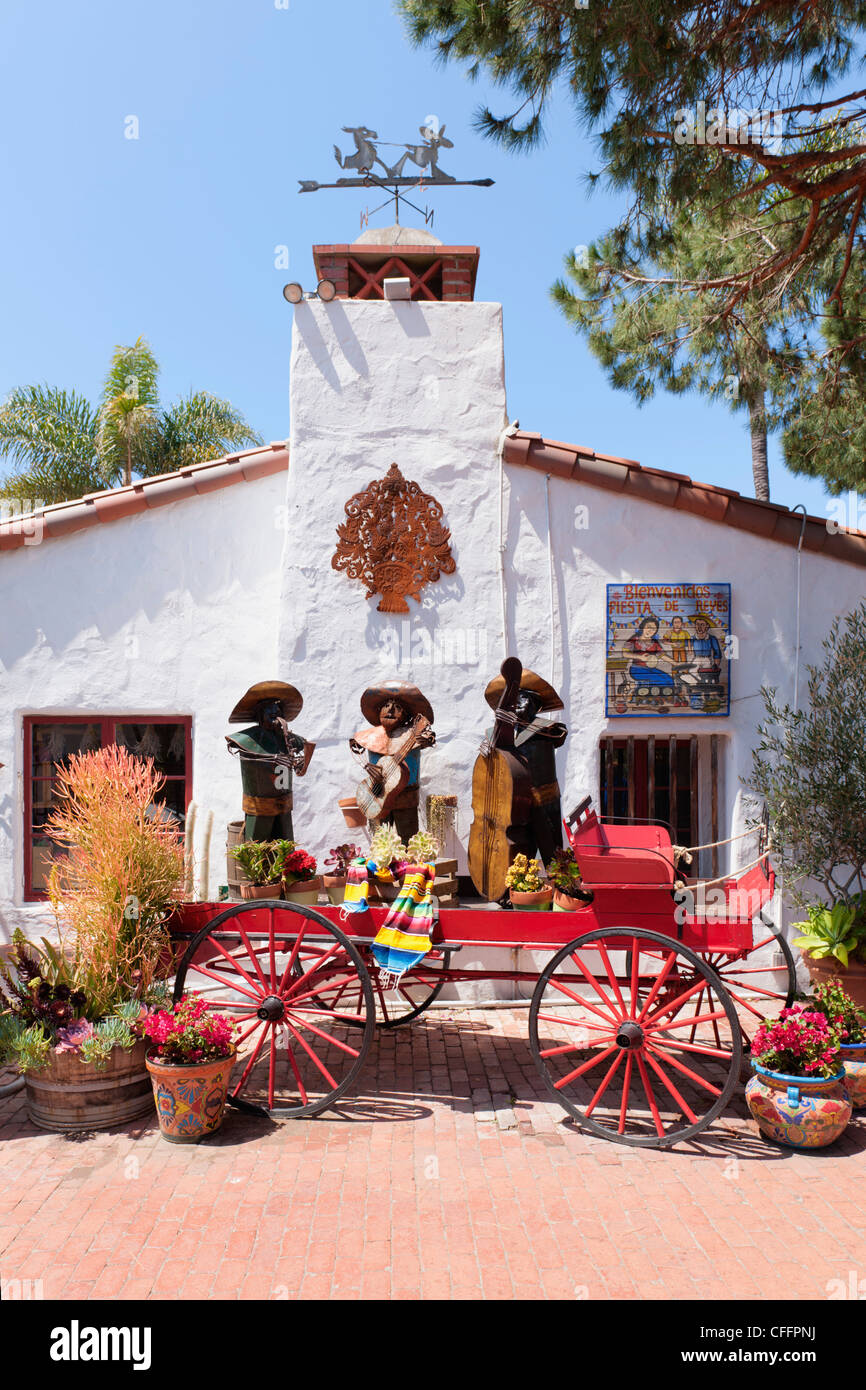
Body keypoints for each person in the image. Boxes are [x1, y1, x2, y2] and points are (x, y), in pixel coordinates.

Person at [483, 667, 568, 864]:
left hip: (544, 798)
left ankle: (562, 887)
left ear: (536, 706)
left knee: (552, 849)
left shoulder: (547, 729)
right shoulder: (496, 734)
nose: (518, 704)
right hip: (515, 802)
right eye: (515, 699)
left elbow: (559, 736)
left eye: (524, 699)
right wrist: (491, 745)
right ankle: (519, 886)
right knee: (521, 849)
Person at [226, 680, 315, 842]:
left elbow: (305, 746)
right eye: (270, 712)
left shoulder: (287, 738)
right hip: (259, 806)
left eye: (278, 712)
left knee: (285, 846)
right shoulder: (248, 738)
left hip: (284, 804)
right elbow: (233, 745)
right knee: (257, 846)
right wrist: (275, 758)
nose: (275, 715)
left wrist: (303, 762)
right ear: (260, 715)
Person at [350, 683, 436, 842]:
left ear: (406, 715)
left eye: (397, 707)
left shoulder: (412, 734)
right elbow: (355, 747)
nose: (390, 710)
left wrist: (424, 738)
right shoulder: (370, 735)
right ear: (378, 711)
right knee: (380, 842)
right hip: (376, 795)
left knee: (408, 841)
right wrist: (366, 765)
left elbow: (428, 738)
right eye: (386, 706)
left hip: (406, 796)